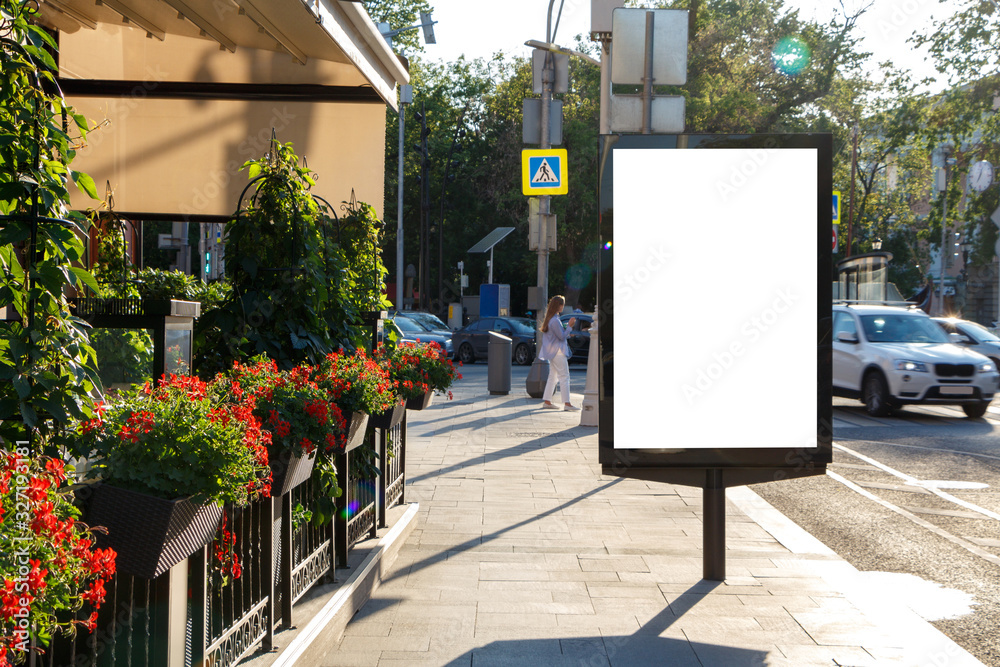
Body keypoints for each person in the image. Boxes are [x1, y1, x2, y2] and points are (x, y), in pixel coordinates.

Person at [539, 295, 579, 411]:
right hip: (558, 352)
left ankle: (547, 401)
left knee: (553, 376)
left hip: (553, 352)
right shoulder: (555, 320)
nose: (563, 307)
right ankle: (567, 404)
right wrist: (570, 327)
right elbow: (561, 336)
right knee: (564, 376)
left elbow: (559, 334)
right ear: (559, 305)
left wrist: (566, 328)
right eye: (562, 304)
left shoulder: (551, 319)